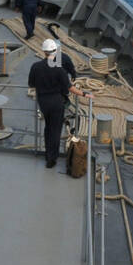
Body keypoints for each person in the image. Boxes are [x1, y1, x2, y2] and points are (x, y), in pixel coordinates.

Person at [28, 38, 90, 169]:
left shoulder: (35, 66)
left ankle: (47, 154)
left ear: (44, 51)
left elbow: (31, 84)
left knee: (48, 128)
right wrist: (84, 94)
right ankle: (52, 158)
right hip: (56, 102)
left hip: (43, 102)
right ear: (55, 51)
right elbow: (70, 88)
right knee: (55, 130)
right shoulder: (59, 69)